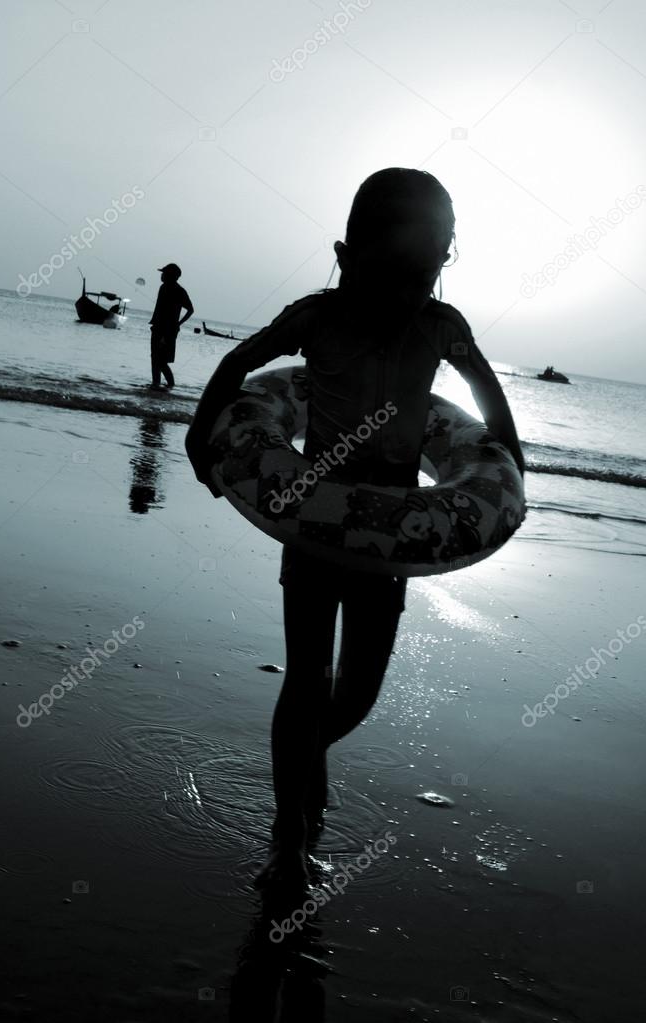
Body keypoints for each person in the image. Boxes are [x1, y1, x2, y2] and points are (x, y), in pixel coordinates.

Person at [185, 168, 525, 890]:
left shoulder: (440, 326)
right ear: (344, 257)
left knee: (361, 688)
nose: (405, 291)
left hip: (392, 532)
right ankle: (288, 837)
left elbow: (486, 394)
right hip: (314, 518)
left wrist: (510, 470)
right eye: (390, 269)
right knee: (307, 672)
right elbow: (241, 362)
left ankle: (309, 751)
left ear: (441, 266)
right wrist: (197, 438)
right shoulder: (318, 316)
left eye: (424, 271)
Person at [149, 263, 193, 390]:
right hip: (158, 328)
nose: (162, 275)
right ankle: (155, 384)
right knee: (155, 358)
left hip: (168, 331)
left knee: (161, 361)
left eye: (164, 273)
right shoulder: (163, 288)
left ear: (171, 276)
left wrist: (178, 323)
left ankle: (169, 385)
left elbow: (190, 309)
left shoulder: (179, 291)